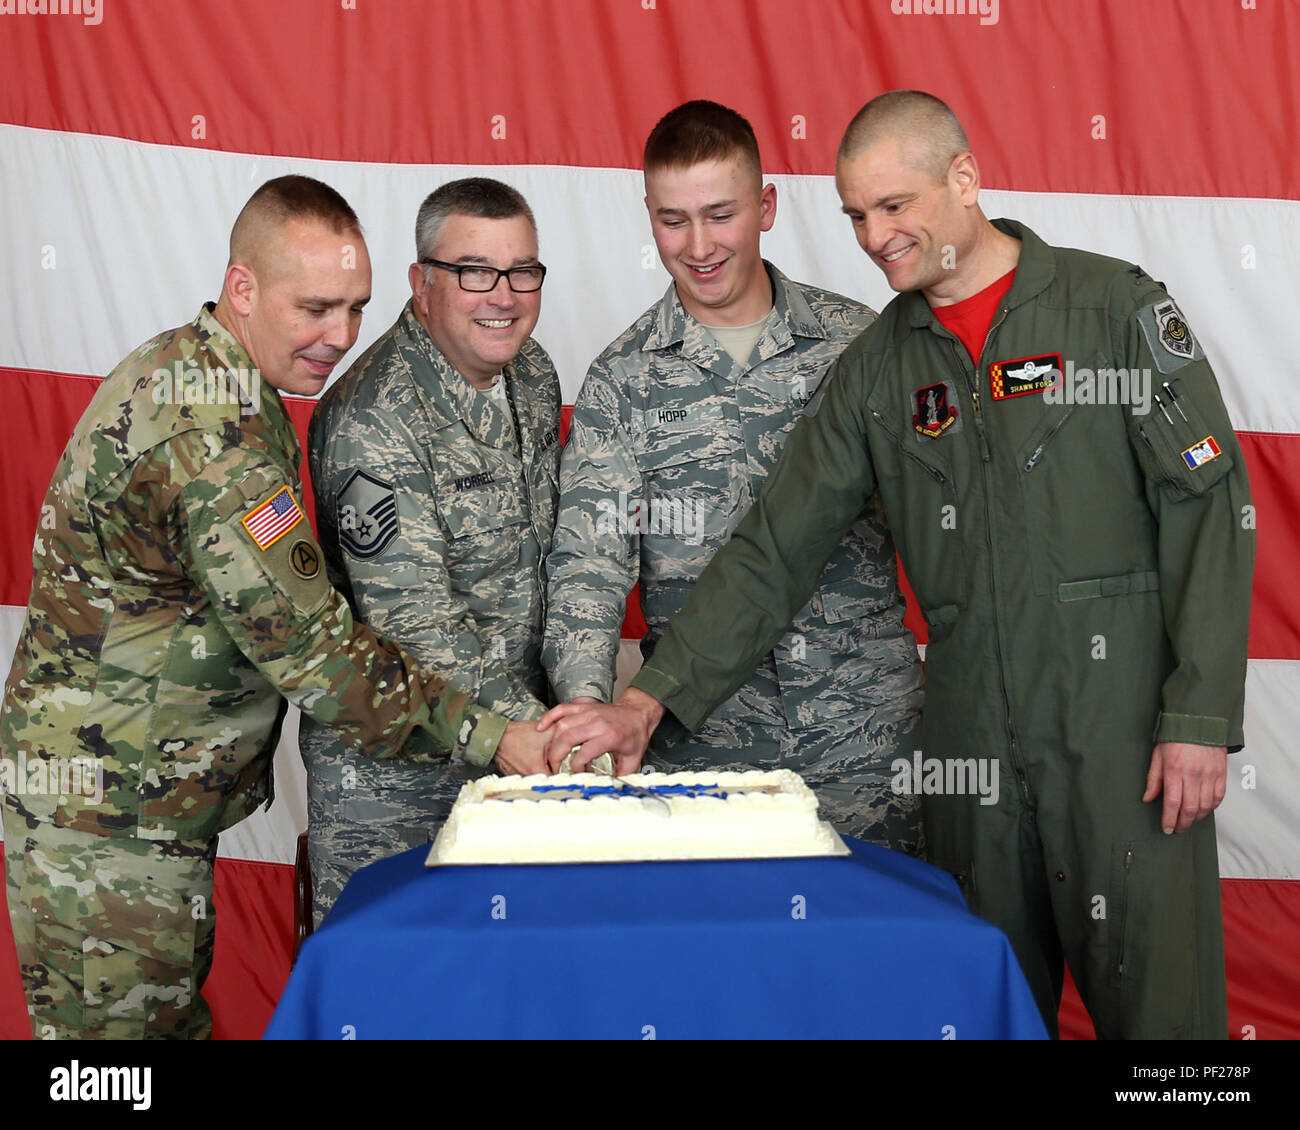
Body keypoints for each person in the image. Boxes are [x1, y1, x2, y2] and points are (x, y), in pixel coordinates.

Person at [539, 91, 1253, 1040]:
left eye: (895, 205)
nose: (876, 236)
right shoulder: (878, 365)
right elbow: (775, 548)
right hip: (968, 749)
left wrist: (1198, 715)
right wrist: (643, 704)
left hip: (1121, 736)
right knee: (976, 1009)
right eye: (857, 215)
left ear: (964, 178)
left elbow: (1209, 507)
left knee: (1168, 1031)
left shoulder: (1111, 308)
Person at [0, 175, 547, 1039]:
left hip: (133, 795)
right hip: (108, 813)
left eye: (355, 308)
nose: (341, 336)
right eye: (316, 308)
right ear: (244, 287)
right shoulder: (213, 442)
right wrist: (494, 734)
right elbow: (317, 655)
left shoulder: (205, 372)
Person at [542, 100, 923, 850]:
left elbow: (944, 515)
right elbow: (589, 566)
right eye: (673, 220)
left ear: (766, 206)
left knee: (880, 927)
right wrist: (589, 716)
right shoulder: (623, 379)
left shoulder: (861, 344)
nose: (699, 245)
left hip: (866, 735)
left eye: (720, 215)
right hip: (703, 748)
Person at [300, 178, 560, 923]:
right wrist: (545, 740)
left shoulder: (534, 374)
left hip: (519, 756)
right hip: (396, 780)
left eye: (522, 271)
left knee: (514, 974)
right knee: (392, 979)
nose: (503, 296)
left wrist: (558, 721)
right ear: (421, 284)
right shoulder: (371, 416)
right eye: (474, 271)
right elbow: (412, 619)